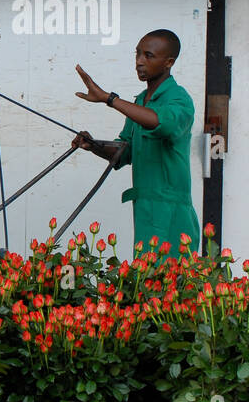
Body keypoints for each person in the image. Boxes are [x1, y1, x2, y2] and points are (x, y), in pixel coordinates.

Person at [71, 28, 201, 257]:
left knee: (171, 285)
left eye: (148, 56)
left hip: (172, 214)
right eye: (137, 54)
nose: (139, 62)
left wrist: (109, 99)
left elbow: (163, 123)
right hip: (145, 210)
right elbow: (124, 152)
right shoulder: (140, 102)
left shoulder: (179, 99)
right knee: (146, 283)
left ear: (169, 62)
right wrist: (93, 145)